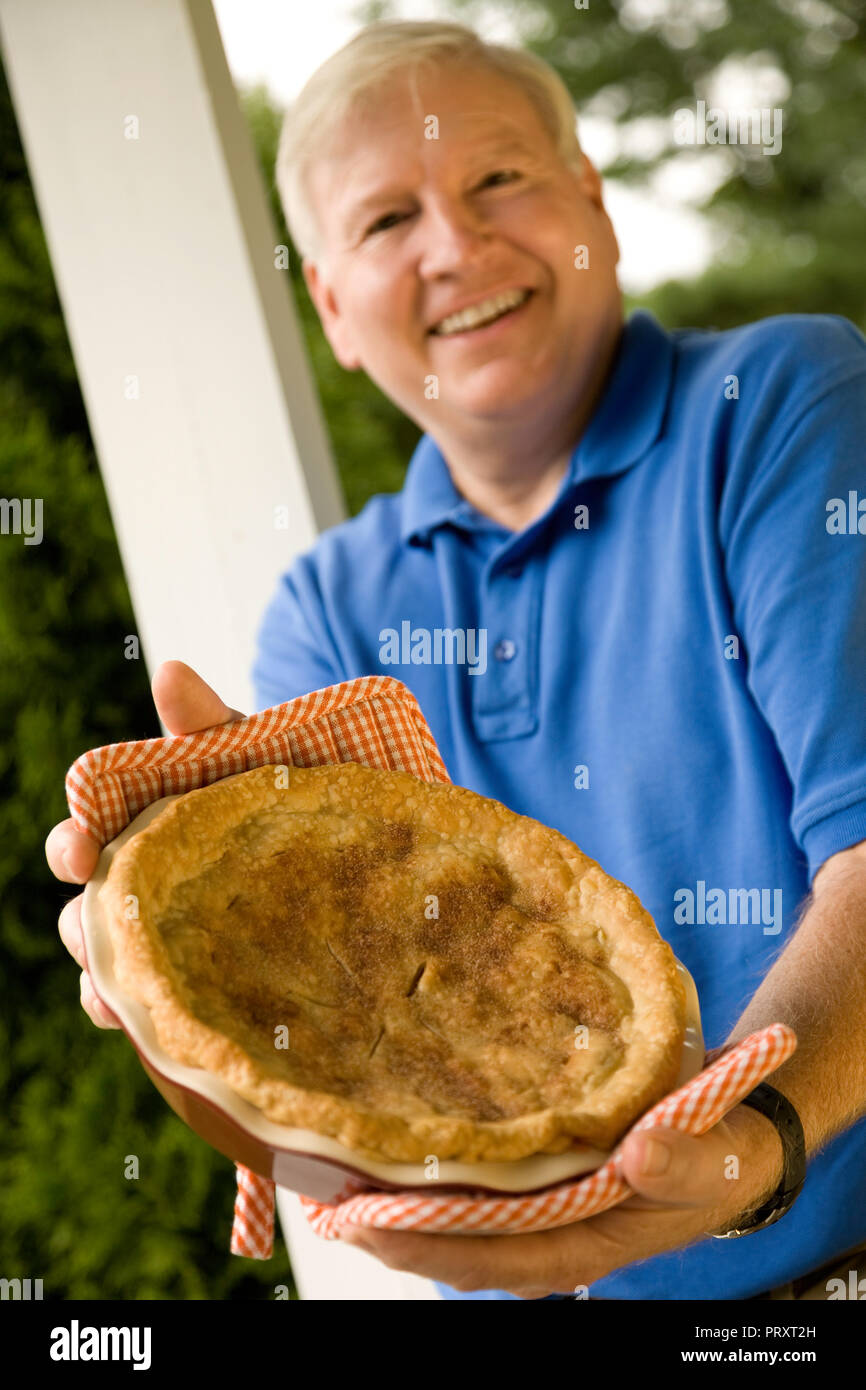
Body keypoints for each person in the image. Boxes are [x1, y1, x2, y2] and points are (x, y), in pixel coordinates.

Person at [47, 21, 866, 1301]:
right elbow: (314, 1086)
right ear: (330, 308)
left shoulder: (776, 406)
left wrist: (748, 1146)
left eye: (498, 180)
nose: (454, 247)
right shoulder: (327, 607)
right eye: (382, 223)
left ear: (588, 199)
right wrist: (160, 987)